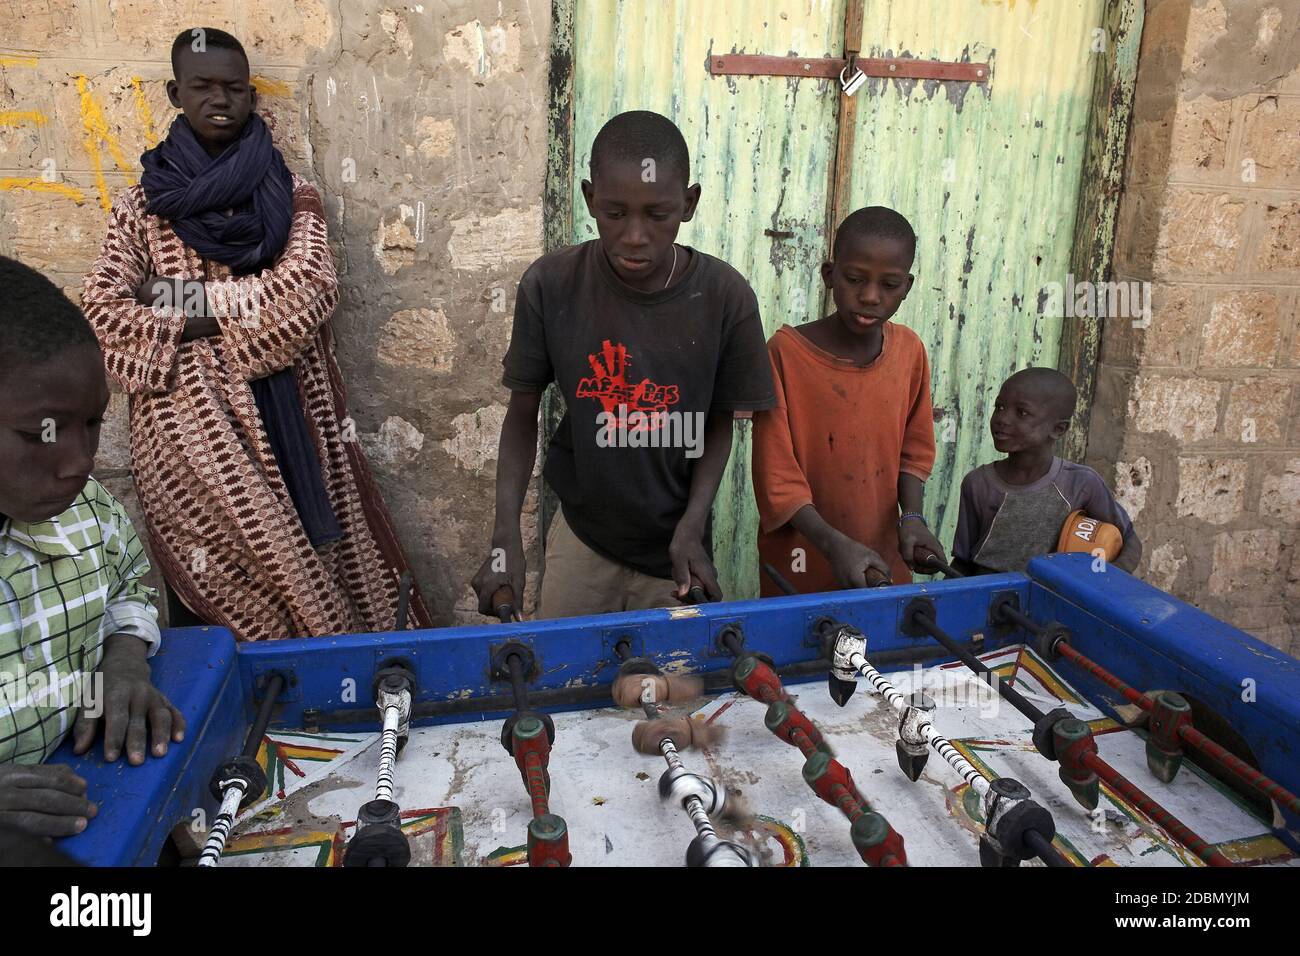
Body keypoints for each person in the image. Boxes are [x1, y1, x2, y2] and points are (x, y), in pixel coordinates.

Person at [82, 27, 429, 641]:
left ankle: (325, 714)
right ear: (176, 93)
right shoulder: (144, 204)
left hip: (294, 418)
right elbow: (104, 309)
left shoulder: (292, 194)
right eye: (203, 86)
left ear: (251, 97)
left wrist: (170, 298)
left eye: (235, 88)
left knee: (312, 574)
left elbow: (308, 291)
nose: (221, 99)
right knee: (214, 593)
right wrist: (243, 310)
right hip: (185, 444)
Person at [471, 110, 775, 618]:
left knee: (671, 692)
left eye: (658, 215)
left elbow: (722, 420)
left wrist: (693, 526)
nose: (635, 235)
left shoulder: (725, 297)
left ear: (689, 203)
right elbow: (522, 414)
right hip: (583, 542)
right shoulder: (551, 285)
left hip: (676, 553)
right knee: (564, 681)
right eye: (615, 213)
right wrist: (505, 540)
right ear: (590, 199)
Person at [0, 255, 184, 838]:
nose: (79, 464)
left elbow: (127, 586)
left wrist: (124, 658)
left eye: (93, 424)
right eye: (41, 435)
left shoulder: (90, 514)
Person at [753, 206, 947, 595]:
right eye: (855, 279)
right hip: (803, 558)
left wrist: (912, 518)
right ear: (830, 275)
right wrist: (832, 545)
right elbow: (778, 479)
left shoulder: (909, 351)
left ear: (907, 287)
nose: (870, 296)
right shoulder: (785, 353)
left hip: (884, 560)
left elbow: (915, 450)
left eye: (889, 285)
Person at [952, 367, 1142, 574]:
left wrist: (1107, 579)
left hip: (1052, 598)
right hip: (989, 599)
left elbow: (1129, 540)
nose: (1002, 419)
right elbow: (964, 563)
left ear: (1058, 429)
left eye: (1022, 412)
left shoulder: (1080, 484)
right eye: (999, 407)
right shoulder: (978, 483)